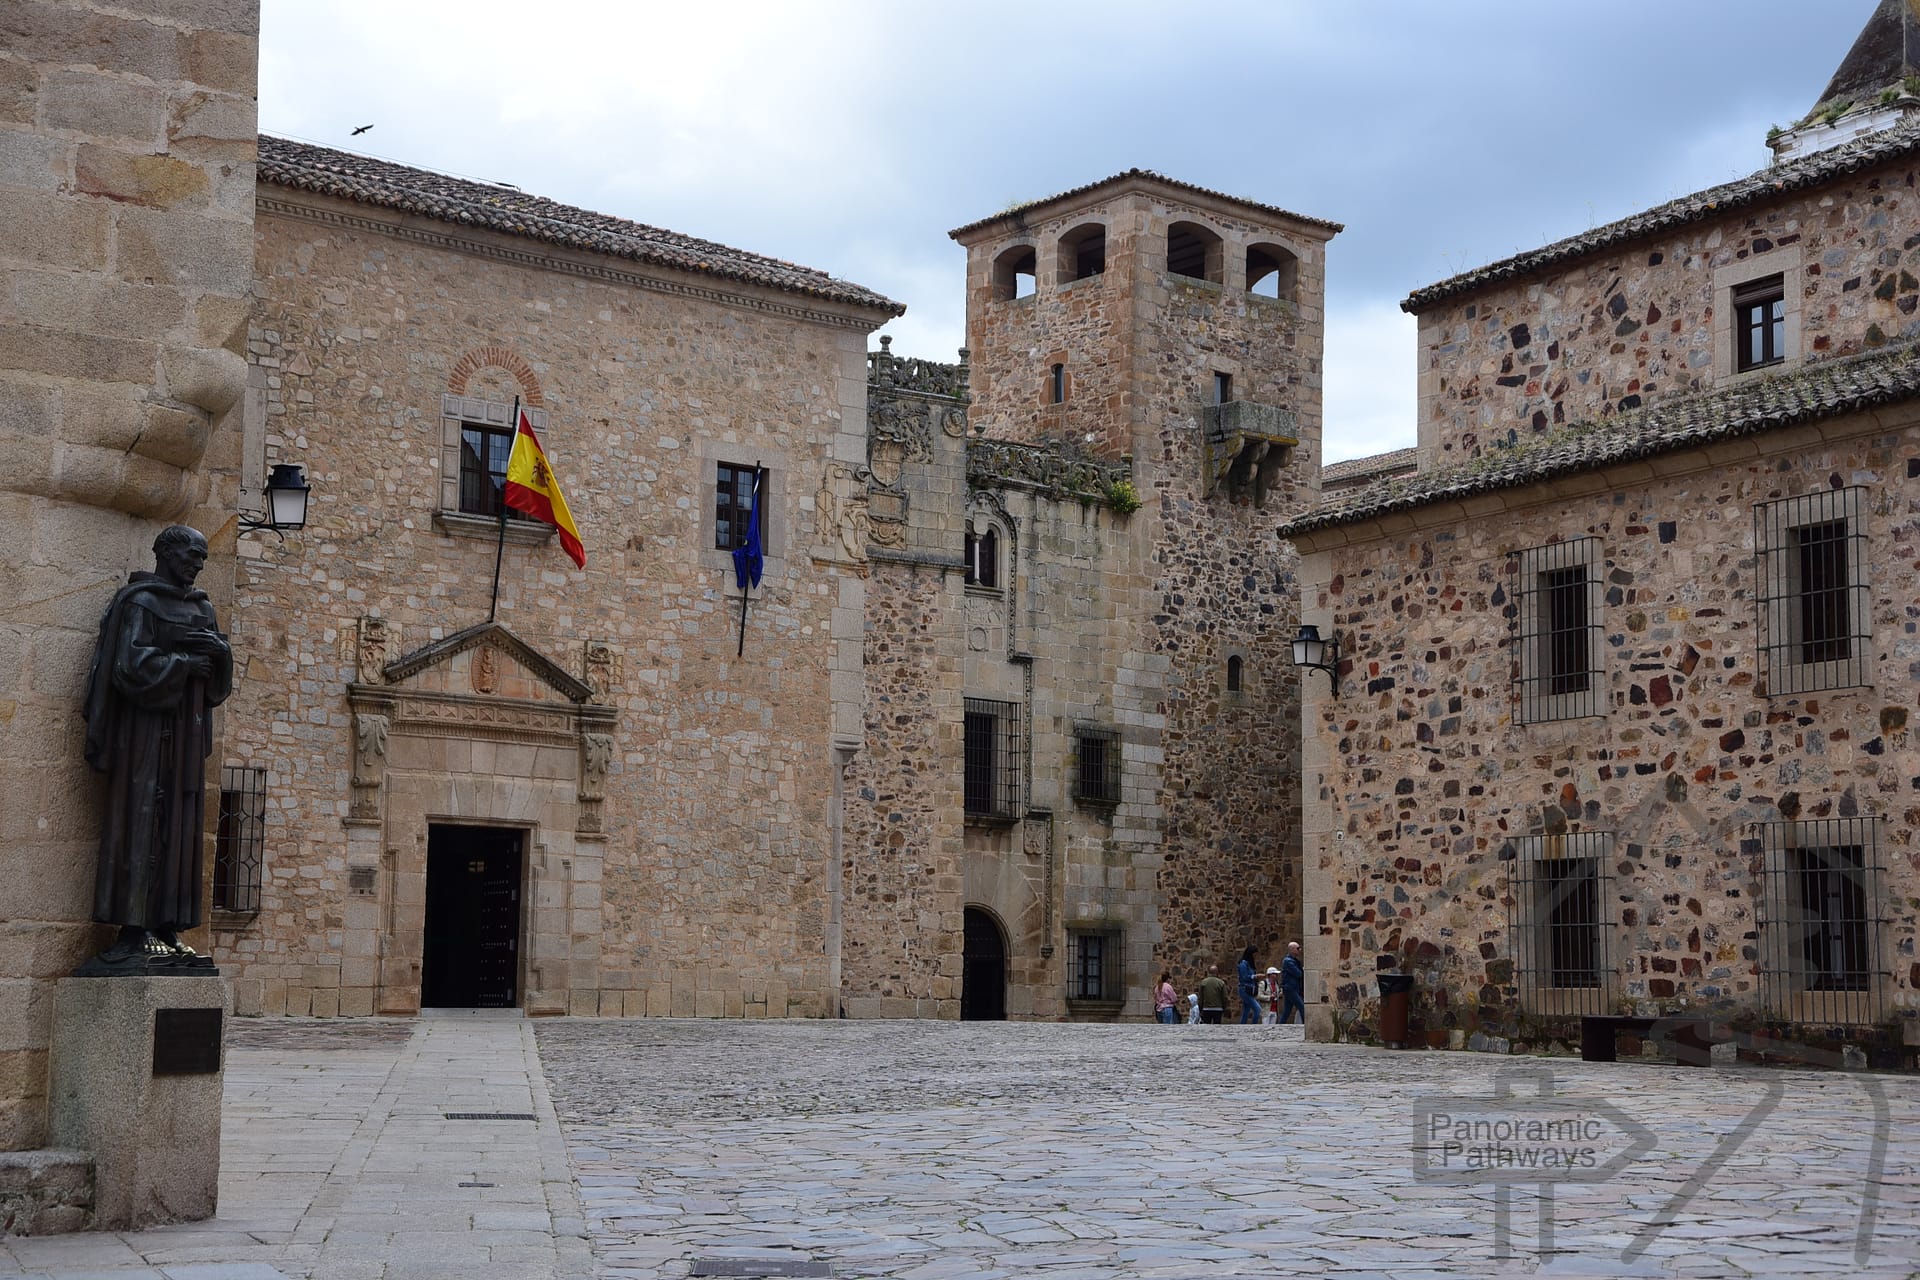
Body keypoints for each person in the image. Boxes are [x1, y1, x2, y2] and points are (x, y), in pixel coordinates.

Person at [80, 525, 232, 970]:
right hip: (145, 735)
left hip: (186, 733)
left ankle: (168, 925)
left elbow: (218, 684)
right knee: (141, 820)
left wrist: (219, 656)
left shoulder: (202, 607)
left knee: (182, 826)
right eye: (191, 554)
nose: (198, 563)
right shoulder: (141, 603)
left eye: (203, 557)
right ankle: (133, 928)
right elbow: (129, 667)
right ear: (165, 552)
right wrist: (185, 663)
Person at [1280, 941, 1306, 1025]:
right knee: (1302, 1007)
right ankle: (1306, 1026)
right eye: (1298, 948)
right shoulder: (1288, 961)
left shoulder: (1294, 961)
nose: (1300, 950)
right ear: (1292, 949)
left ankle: (1280, 1026)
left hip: (1292, 988)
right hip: (1291, 988)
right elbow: (1298, 973)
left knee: (1287, 1011)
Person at [1237, 946, 1260, 1024]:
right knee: (1257, 1009)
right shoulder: (1243, 964)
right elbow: (1244, 977)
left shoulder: (1250, 964)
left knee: (1246, 1010)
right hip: (1245, 989)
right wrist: (1255, 976)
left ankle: (1242, 1026)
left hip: (1250, 989)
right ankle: (1254, 1026)